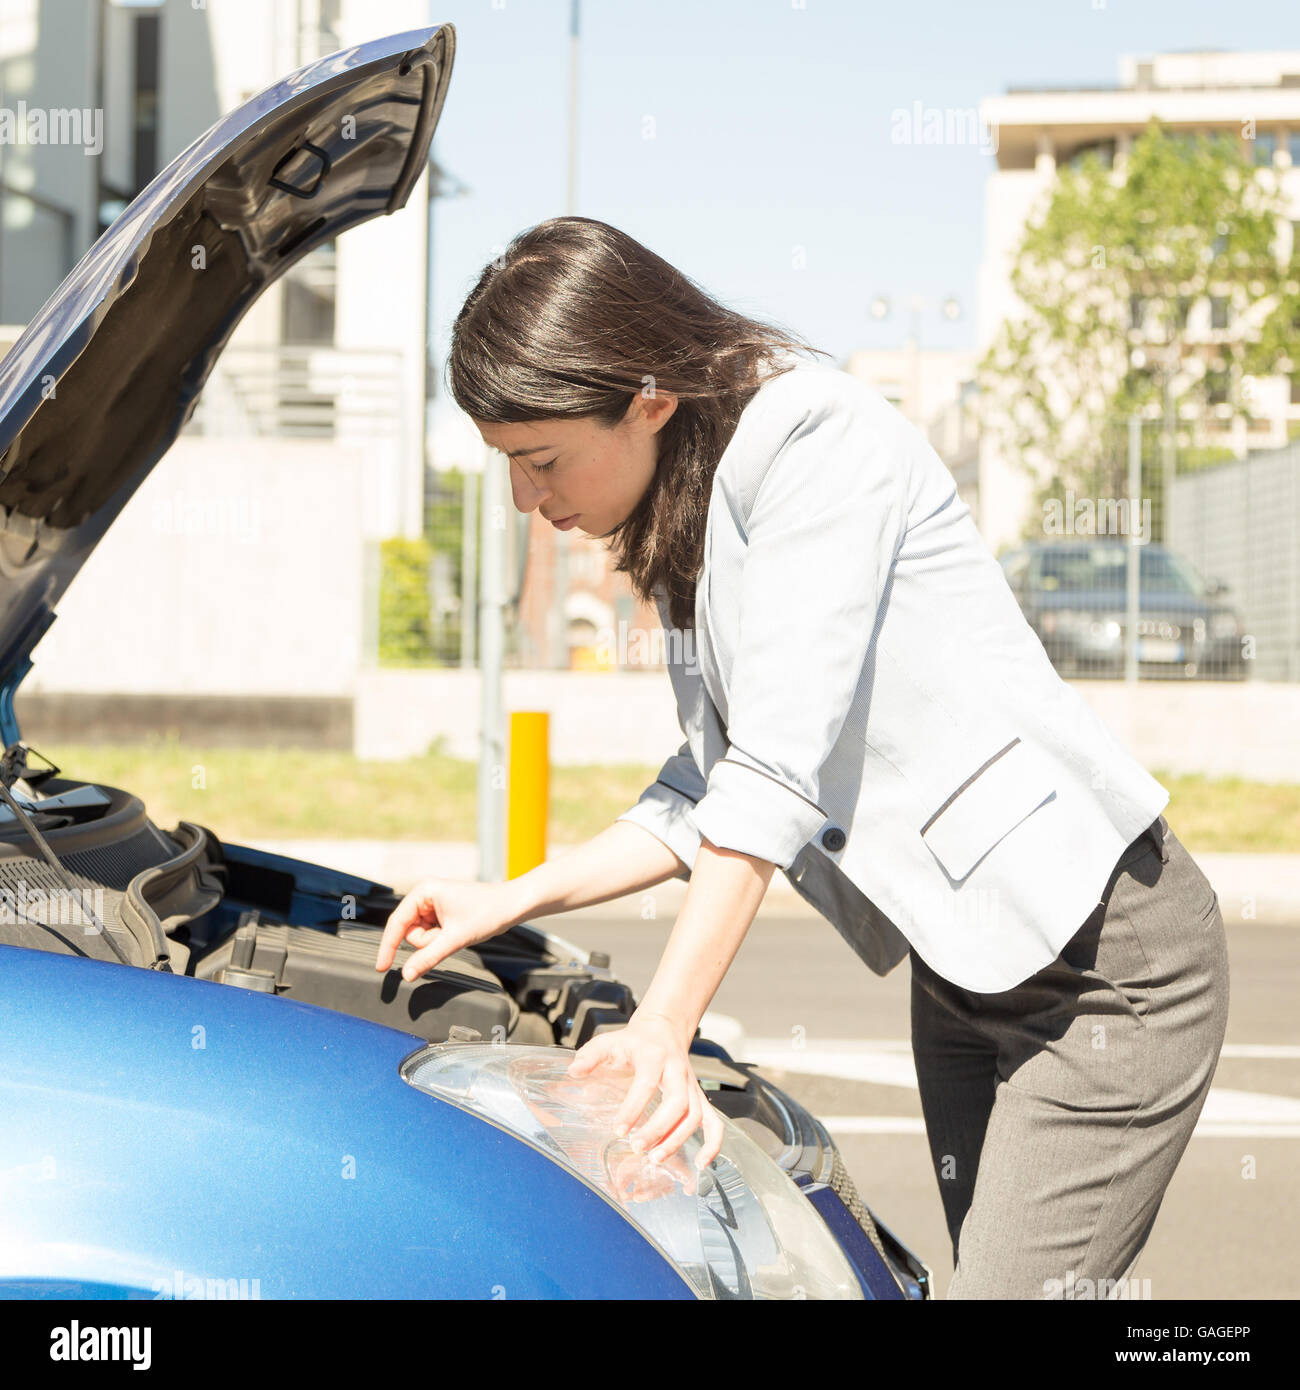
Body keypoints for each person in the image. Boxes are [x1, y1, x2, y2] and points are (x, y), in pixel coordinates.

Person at [375, 216, 1229, 1299]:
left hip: (1105, 970)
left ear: (646, 395)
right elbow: (707, 785)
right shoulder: (693, 503)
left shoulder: (813, 444)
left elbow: (773, 772)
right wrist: (509, 895)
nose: (527, 504)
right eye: (507, 466)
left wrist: (662, 1031)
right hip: (966, 975)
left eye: (540, 460)